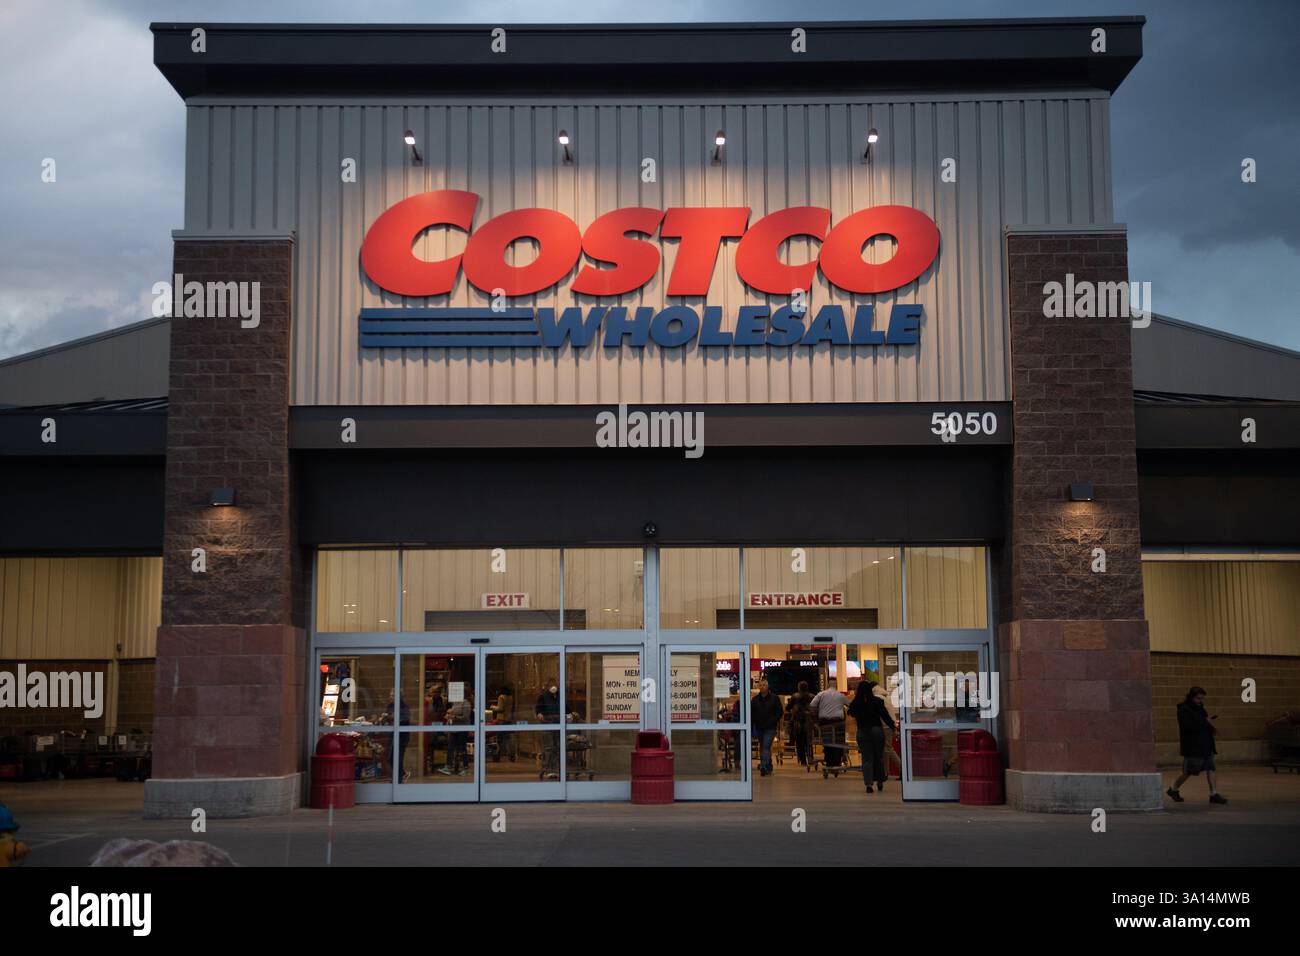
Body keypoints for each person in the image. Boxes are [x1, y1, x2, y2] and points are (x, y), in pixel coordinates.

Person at [1168, 686, 1227, 804]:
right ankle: (1173, 789)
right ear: (1191, 697)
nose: (1200, 701)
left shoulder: (1200, 708)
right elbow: (1187, 727)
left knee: (1211, 768)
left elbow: (1204, 721)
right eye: (1198, 698)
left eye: (1202, 698)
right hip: (1193, 746)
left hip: (1206, 744)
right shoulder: (1184, 710)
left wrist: (1210, 727)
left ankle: (1213, 794)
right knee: (1188, 771)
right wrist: (1205, 722)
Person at [849, 681, 896, 792]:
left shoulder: (856, 703)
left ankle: (869, 785)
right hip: (876, 731)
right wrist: (893, 728)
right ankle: (880, 781)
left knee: (867, 759)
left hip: (862, 732)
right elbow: (885, 716)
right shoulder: (877, 701)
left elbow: (851, 713)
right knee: (878, 757)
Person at [810, 682, 851, 767]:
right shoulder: (841, 696)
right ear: (836, 687)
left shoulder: (820, 694)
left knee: (827, 742)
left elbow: (812, 705)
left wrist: (816, 718)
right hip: (838, 723)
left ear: (827, 686)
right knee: (838, 742)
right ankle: (837, 762)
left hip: (825, 723)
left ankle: (829, 763)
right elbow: (850, 705)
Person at [751, 679, 784, 777]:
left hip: (770, 727)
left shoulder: (774, 698)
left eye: (764, 685)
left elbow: (780, 712)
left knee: (765, 746)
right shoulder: (755, 700)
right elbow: (752, 714)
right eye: (760, 685)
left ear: (768, 686)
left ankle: (763, 766)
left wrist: (774, 720)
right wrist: (753, 725)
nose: (762, 687)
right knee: (763, 746)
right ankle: (769, 765)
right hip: (759, 727)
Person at [873, 678, 902, 776]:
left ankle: (902, 768)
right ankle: (885, 772)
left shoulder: (877, 698)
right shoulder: (885, 697)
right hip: (889, 725)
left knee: (888, 749)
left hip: (885, 726)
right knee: (885, 750)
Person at [382, 691, 412, 782]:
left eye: (393, 695)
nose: (390, 697)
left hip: (402, 736)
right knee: (390, 757)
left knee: (398, 758)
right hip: (392, 734)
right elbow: (388, 718)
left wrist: (393, 717)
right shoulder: (390, 706)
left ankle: (398, 780)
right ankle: (403, 774)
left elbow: (404, 719)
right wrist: (384, 718)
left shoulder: (404, 707)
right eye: (390, 695)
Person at [536, 679, 562, 778]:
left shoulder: (560, 696)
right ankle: (548, 769)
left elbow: (566, 708)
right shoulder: (543, 697)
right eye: (551, 685)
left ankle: (556, 769)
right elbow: (538, 709)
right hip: (547, 725)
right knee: (548, 748)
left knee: (557, 747)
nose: (554, 687)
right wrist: (539, 714)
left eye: (555, 685)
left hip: (558, 725)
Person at [786, 680, 815, 766]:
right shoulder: (812, 696)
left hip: (797, 721)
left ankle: (802, 760)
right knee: (808, 741)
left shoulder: (795, 696)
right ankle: (810, 757)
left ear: (799, 687)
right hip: (809, 721)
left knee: (799, 742)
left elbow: (788, 707)